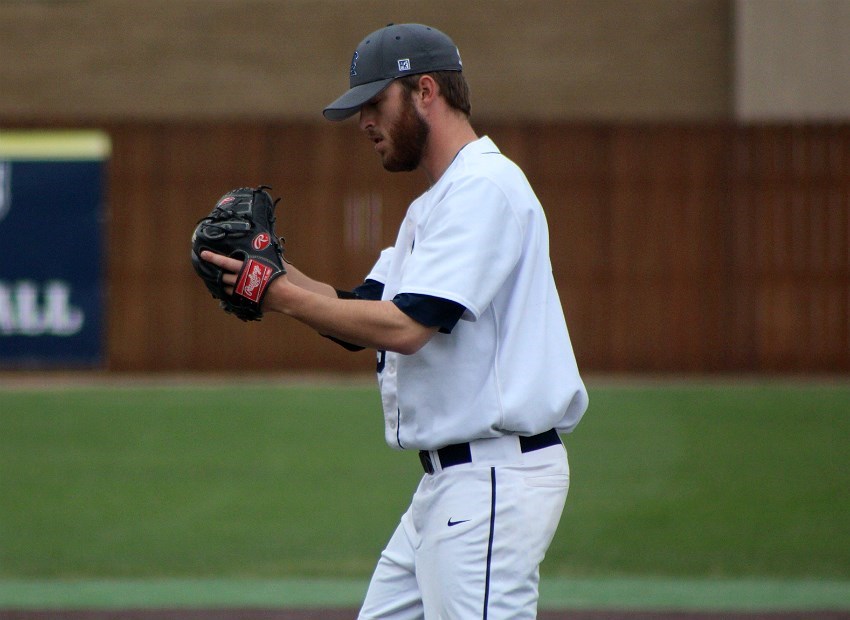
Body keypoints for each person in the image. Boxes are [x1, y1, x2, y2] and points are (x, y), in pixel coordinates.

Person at [202, 22, 588, 620]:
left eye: (374, 103)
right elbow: (361, 308)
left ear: (425, 90)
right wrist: (270, 270)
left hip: (492, 480)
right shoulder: (438, 203)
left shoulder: (485, 187)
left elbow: (407, 328)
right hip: (452, 485)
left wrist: (277, 294)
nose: (364, 122)